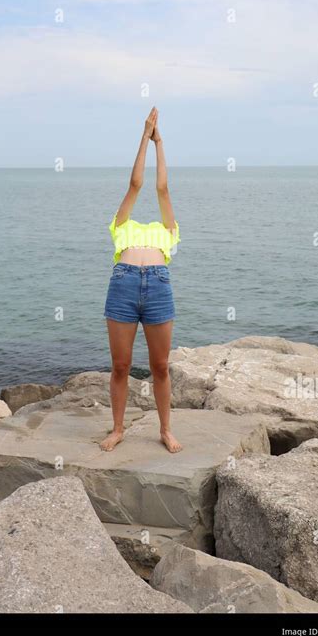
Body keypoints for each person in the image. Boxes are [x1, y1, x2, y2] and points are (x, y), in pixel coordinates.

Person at [102, 107, 182, 453]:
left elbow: (162, 187)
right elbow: (136, 184)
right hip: (123, 284)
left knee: (160, 366)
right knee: (121, 365)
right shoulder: (121, 227)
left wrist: (159, 141)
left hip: (158, 287)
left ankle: (165, 430)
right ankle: (118, 429)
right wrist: (143, 137)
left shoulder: (169, 231)